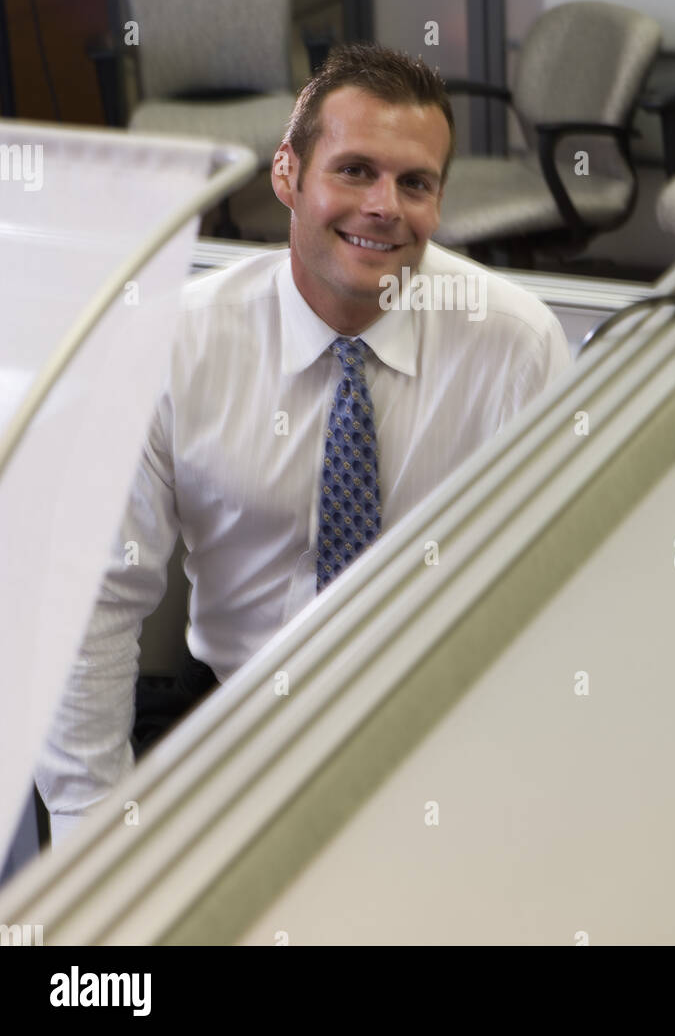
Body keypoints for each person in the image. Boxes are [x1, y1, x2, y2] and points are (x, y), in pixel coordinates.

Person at [35, 43, 572, 845]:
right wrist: (88, 833)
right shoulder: (170, 343)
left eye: (415, 182)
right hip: (238, 724)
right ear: (287, 175)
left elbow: (559, 589)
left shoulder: (515, 346)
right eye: (355, 170)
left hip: (440, 735)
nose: (386, 205)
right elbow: (92, 600)